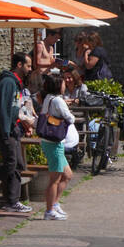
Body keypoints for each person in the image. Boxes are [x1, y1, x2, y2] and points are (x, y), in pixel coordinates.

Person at [0, 52, 33, 213]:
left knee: (18, 164)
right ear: (19, 65)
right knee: (11, 163)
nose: (30, 68)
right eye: (28, 65)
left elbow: (12, 107)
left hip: (12, 128)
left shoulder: (14, 83)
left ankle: (9, 199)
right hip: (5, 129)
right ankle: (9, 199)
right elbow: (3, 108)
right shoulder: (8, 82)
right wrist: (6, 130)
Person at [38, 74, 75, 221]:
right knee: (55, 178)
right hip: (54, 143)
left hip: (51, 142)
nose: (65, 84)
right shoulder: (58, 100)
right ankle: (49, 210)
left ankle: (55, 203)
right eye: (63, 83)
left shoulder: (49, 98)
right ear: (58, 86)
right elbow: (70, 118)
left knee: (67, 175)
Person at [29, 29, 60, 96]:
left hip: (47, 75)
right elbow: (36, 63)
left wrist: (58, 62)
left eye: (57, 38)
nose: (56, 40)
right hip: (39, 76)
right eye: (55, 38)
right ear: (49, 36)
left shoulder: (51, 48)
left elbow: (50, 60)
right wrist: (50, 64)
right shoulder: (40, 45)